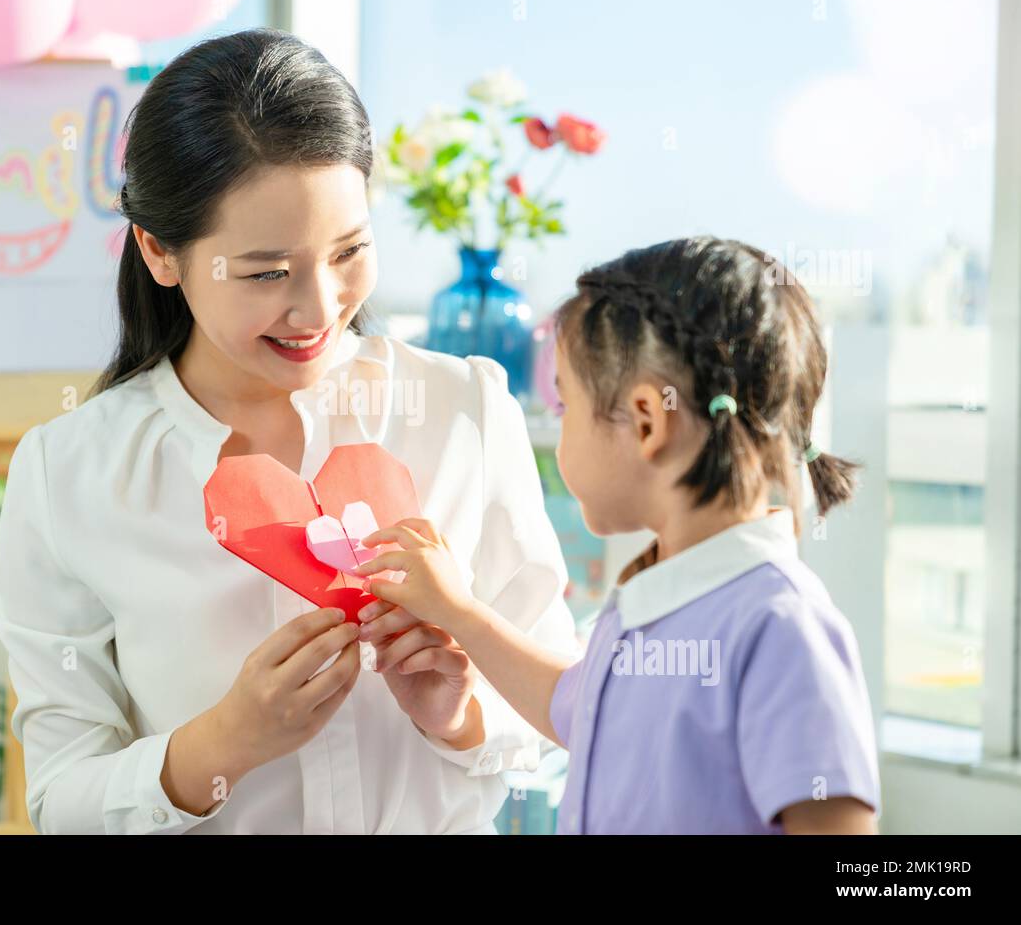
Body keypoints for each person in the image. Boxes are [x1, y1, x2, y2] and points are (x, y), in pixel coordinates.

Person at [0, 28, 579, 834]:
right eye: (267, 272)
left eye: (350, 251)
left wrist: (459, 714)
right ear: (161, 250)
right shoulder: (72, 475)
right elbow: (61, 802)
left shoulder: (463, 410)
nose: (320, 308)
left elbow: (567, 714)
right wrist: (223, 742)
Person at [354, 236, 882, 833]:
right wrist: (458, 613)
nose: (558, 430)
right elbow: (575, 709)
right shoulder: (651, 602)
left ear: (647, 420)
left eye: (565, 409)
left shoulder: (781, 628)